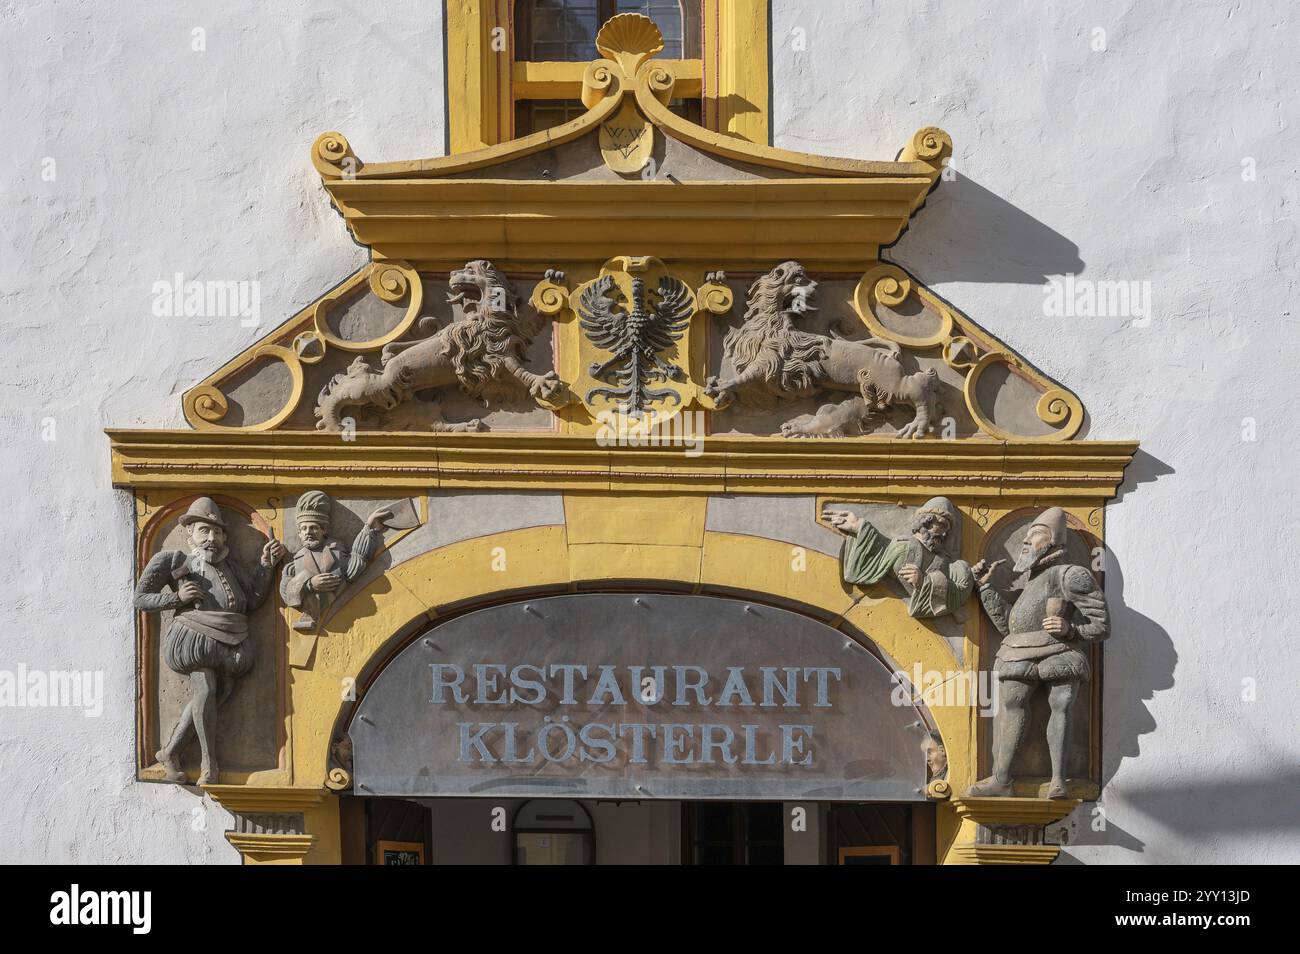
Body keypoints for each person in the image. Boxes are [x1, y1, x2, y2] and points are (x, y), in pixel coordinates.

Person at [134, 497, 285, 784]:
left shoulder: (231, 567)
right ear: (189, 533)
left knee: (215, 695)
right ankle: (209, 763)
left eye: (217, 532)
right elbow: (140, 599)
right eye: (204, 531)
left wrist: (266, 565)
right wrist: (176, 597)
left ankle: (171, 751)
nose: (211, 538)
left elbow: (253, 599)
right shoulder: (174, 561)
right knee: (205, 690)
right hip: (195, 638)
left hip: (231, 639)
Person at [966, 507, 1109, 799]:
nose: (1027, 541)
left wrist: (1070, 629)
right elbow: (1011, 626)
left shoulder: (1071, 575)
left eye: (1036, 534)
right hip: (1020, 650)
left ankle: (1058, 780)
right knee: (1013, 704)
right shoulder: (1031, 581)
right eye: (1027, 536)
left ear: (1055, 540)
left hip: (1058, 647)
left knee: (1061, 704)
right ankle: (1002, 778)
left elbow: (1102, 625)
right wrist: (985, 589)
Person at [824, 496, 974, 618]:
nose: (944, 533)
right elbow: (883, 552)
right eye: (941, 525)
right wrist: (860, 528)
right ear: (925, 522)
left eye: (947, 528)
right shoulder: (905, 545)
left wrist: (924, 581)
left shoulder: (944, 559)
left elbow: (958, 589)